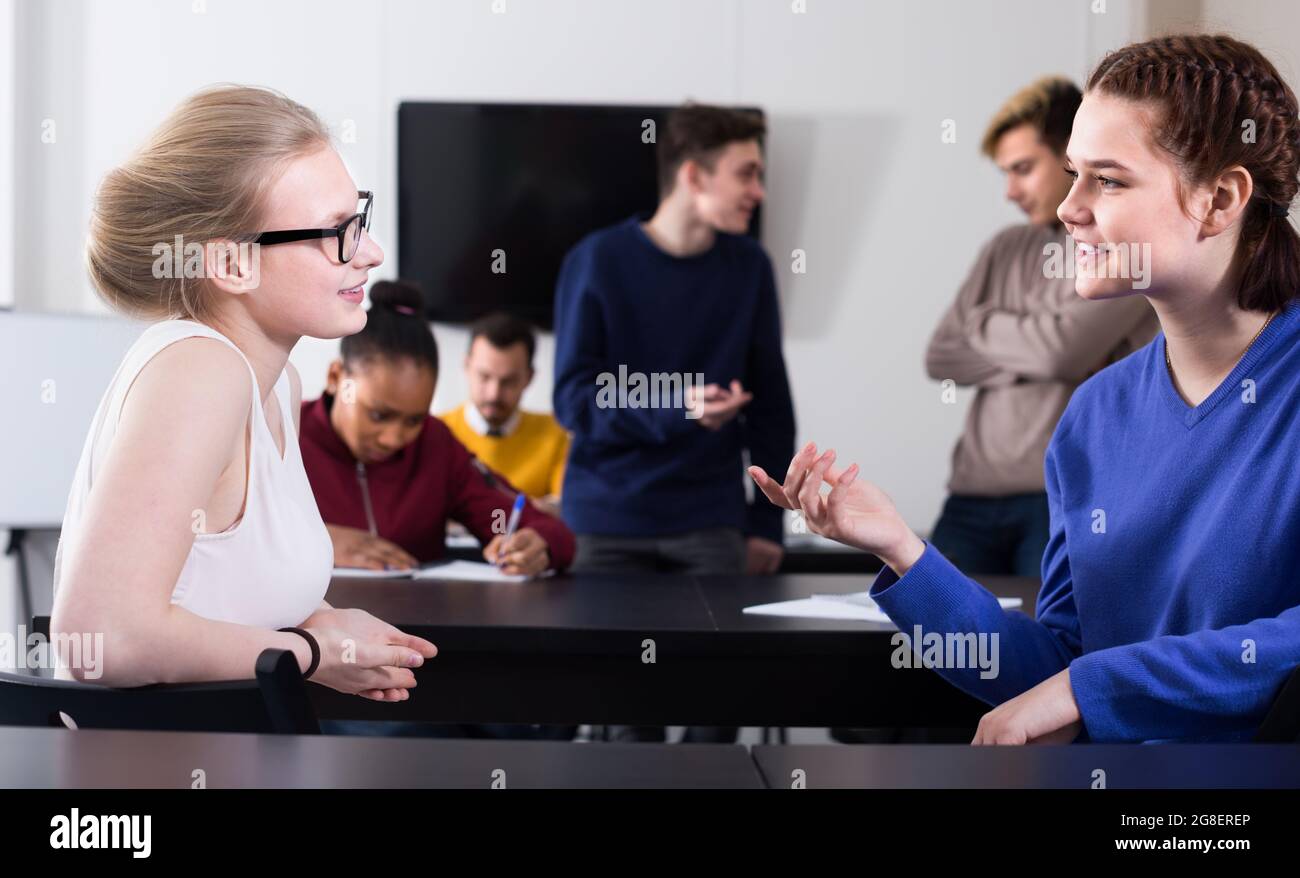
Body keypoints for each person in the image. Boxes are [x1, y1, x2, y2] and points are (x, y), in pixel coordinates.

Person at [751, 34, 1300, 744]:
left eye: (1107, 180)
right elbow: (1054, 667)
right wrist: (901, 551)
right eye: (1072, 173)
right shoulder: (1094, 417)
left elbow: (1084, 685)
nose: (1069, 208)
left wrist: (1088, 686)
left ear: (1221, 198)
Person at [51, 86, 436, 703]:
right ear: (231, 265)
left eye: (357, 219)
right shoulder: (202, 371)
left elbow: (224, 584)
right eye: (336, 233)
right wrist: (317, 652)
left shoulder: (276, 383)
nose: (371, 253)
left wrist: (321, 621)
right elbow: (99, 639)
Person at [553, 102, 796, 743]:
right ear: (694, 175)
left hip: (710, 523)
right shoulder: (597, 260)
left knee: (716, 710)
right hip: (608, 526)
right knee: (630, 717)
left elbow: (771, 404)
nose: (758, 191)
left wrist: (767, 519)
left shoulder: (750, 270)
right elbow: (575, 399)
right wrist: (677, 406)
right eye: (746, 173)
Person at [925, 75, 1157, 576]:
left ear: (1070, 155)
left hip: (1061, 497)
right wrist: (1038, 352)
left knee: (1042, 646)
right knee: (927, 637)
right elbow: (941, 354)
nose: (1010, 191)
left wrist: (985, 324)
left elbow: (1061, 352)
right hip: (969, 497)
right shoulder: (1005, 247)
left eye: (1023, 169)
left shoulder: (1123, 247)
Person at [301, 281, 576, 577]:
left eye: (413, 420)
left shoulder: (436, 444)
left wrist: (538, 545)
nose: (394, 439)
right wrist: (315, 542)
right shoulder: (283, 431)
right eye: (379, 415)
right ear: (336, 377)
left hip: (416, 621)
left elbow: (548, 530)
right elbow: (243, 538)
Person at [441, 311, 570, 516]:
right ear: (467, 367)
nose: (494, 393)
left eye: (508, 381)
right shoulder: (437, 432)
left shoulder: (556, 434)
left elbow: (565, 508)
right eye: (484, 377)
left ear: (528, 378)